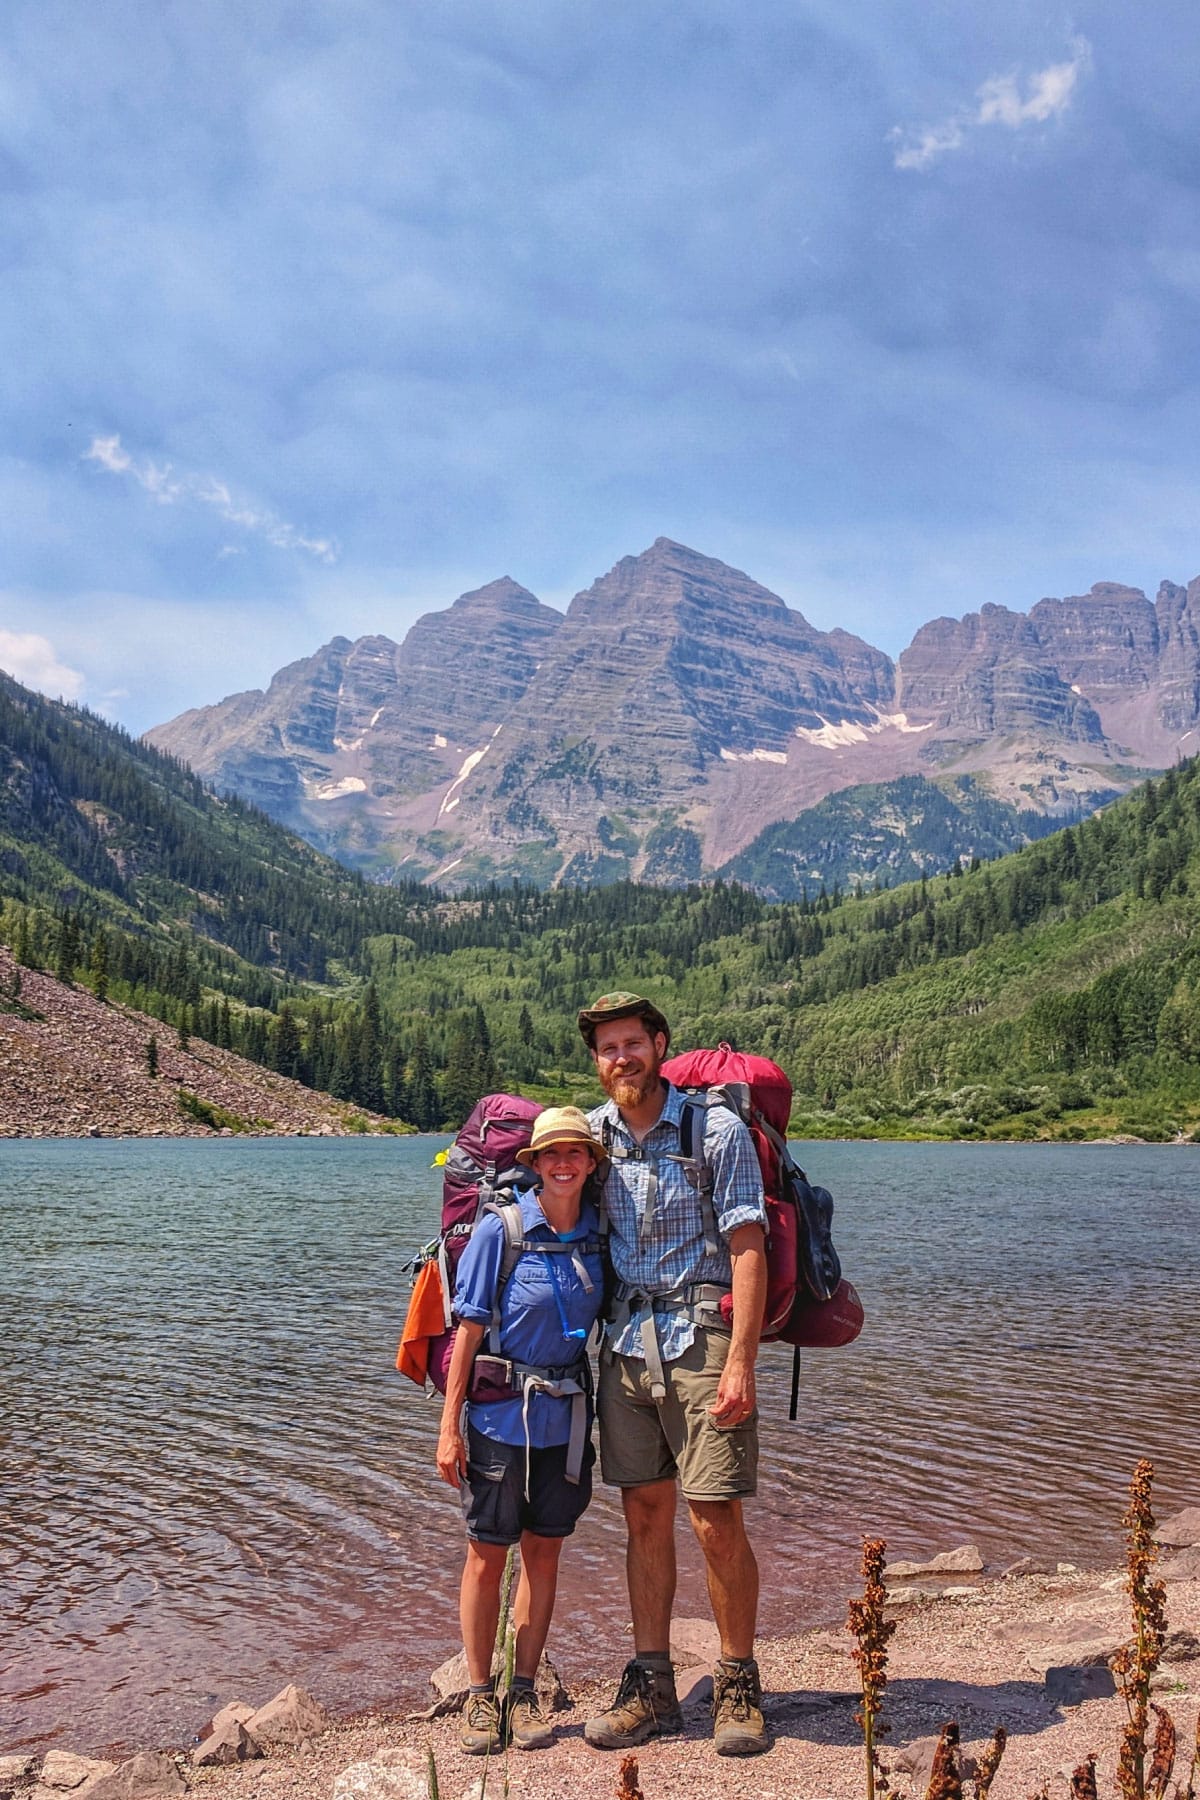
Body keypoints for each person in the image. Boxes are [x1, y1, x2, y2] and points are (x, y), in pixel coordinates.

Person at [579, 992, 772, 1758]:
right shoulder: (589, 1137)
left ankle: (737, 1683)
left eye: (631, 1043)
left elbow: (749, 1247)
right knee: (643, 1518)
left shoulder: (713, 1129)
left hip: (703, 1341)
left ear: (659, 1045)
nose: (620, 1058)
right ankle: (654, 1687)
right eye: (606, 1048)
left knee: (714, 1517)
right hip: (624, 1344)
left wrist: (743, 1362)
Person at [436, 1106, 607, 1756]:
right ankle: (481, 1694)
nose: (563, 1163)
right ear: (533, 1164)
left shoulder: (598, 1236)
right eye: (550, 1154)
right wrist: (448, 1428)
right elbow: (467, 1335)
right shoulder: (498, 1232)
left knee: (545, 1553)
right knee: (486, 1554)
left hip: (564, 1425)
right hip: (497, 1421)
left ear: (590, 1164)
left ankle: (525, 1690)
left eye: (575, 1153)